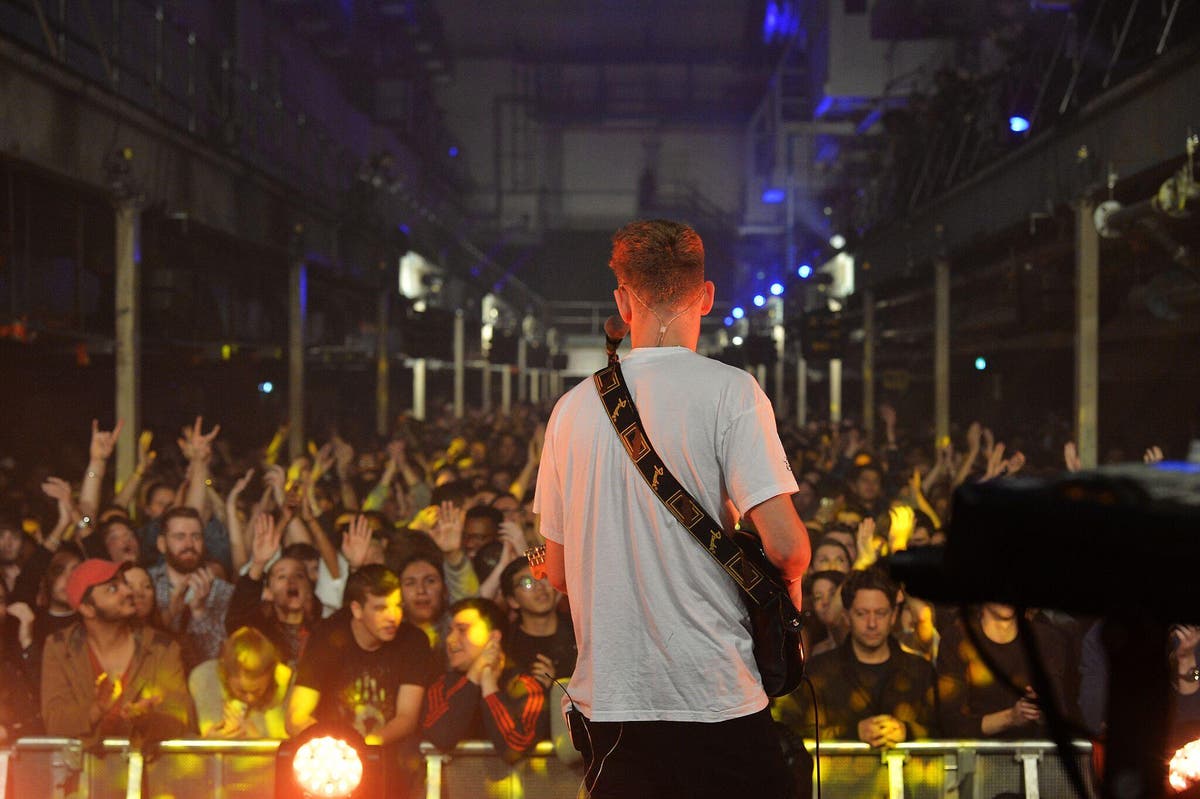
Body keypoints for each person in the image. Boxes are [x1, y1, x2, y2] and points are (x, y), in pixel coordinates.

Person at [535, 219, 810, 798]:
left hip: (610, 703)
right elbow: (785, 546)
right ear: (705, 296)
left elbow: (557, 574)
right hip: (715, 690)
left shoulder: (571, 409)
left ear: (622, 302)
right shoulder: (732, 392)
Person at [774, 568, 938, 745]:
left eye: (880, 613)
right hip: (840, 772)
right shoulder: (817, 672)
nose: (872, 623)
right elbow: (790, 731)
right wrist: (852, 733)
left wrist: (907, 731)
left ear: (893, 616)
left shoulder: (920, 670)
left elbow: (945, 728)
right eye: (862, 613)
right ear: (846, 616)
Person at [40, 559, 192, 742]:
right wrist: (97, 710)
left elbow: (180, 720)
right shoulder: (60, 648)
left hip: (146, 767)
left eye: (124, 583)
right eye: (113, 589)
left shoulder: (162, 648)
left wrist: (147, 720)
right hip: (84, 767)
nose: (129, 591)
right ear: (87, 609)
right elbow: (55, 722)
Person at [287, 564, 432, 745]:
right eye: (380, 608)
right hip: (333, 760)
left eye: (397, 606)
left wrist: (364, 747)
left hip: (392, 760)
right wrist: (334, 748)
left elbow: (406, 718)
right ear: (357, 610)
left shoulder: (413, 641)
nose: (393, 617)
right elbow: (296, 716)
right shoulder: (326, 636)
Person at [421, 598, 546, 759]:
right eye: (450, 631)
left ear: (494, 637)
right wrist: (474, 676)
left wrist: (489, 685)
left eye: (462, 630)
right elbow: (441, 736)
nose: (450, 639)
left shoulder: (525, 684)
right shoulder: (442, 686)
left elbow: (516, 746)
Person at [149, 506, 234, 668]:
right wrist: (170, 614)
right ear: (162, 544)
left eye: (196, 537)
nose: (189, 544)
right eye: (180, 537)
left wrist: (200, 612)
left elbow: (220, 658)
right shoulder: (147, 584)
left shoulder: (223, 592)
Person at [189, 626, 291, 738]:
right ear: (226, 676)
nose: (249, 698)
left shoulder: (287, 688)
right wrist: (209, 743)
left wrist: (257, 741)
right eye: (241, 691)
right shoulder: (205, 681)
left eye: (257, 691)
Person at [499, 556, 576, 687]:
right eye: (527, 583)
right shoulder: (505, 645)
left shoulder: (579, 632)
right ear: (513, 600)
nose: (539, 587)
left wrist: (556, 687)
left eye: (543, 577)